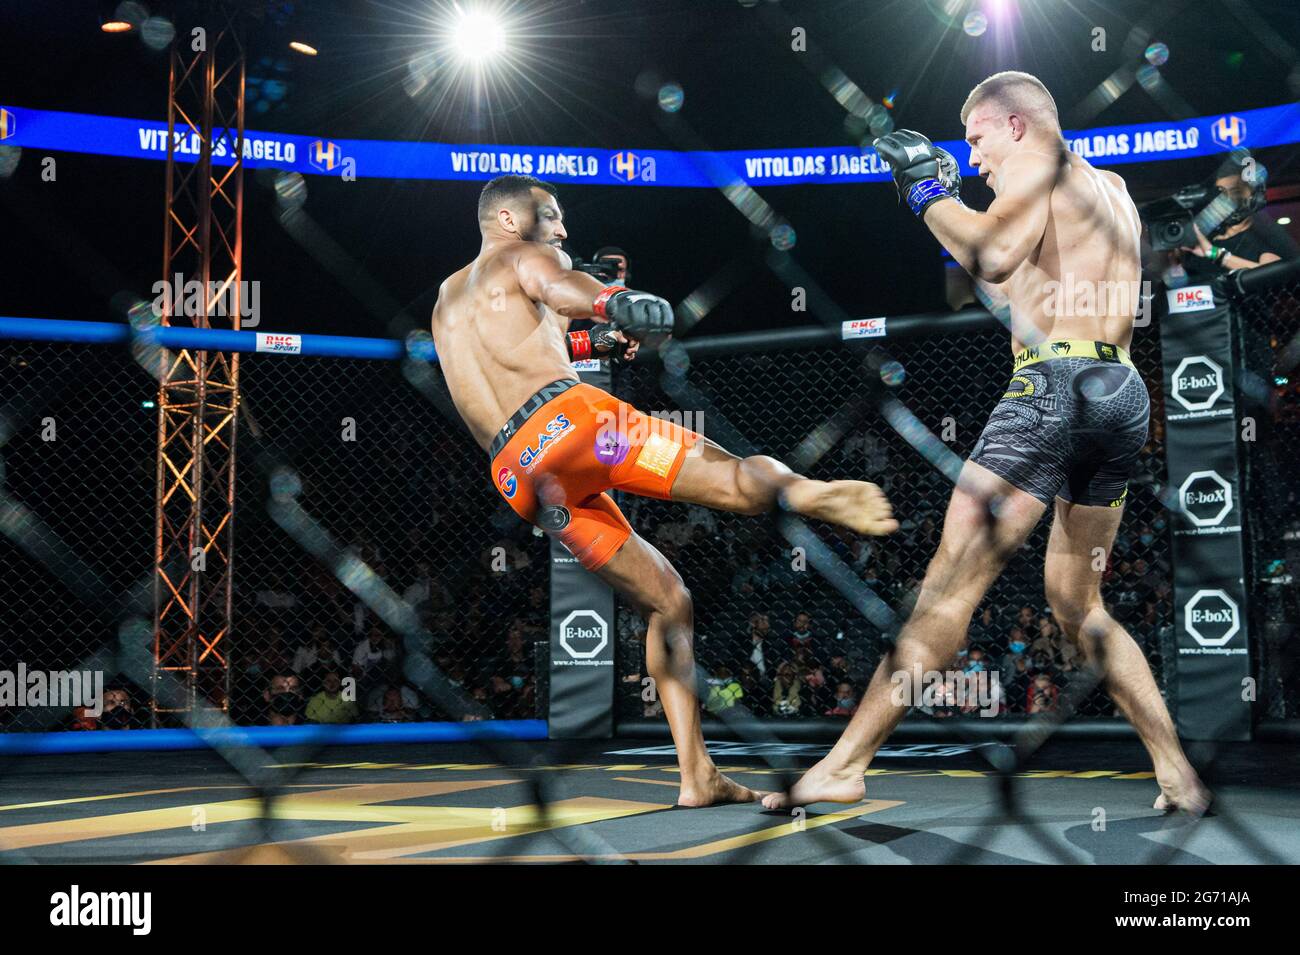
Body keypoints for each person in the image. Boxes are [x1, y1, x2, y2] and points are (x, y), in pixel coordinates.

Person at [765, 71, 1210, 815]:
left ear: (1015, 124)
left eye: (975, 139)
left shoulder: (1038, 161)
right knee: (1078, 601)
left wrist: (927, 196)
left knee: (946, 587)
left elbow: (995, 258)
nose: (972, 159)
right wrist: (956, 221)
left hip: (1052, 388)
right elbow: (1012, 288)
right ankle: (1177, 773)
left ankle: (844, 763)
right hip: (1121, 393)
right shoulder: (1114, 190)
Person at [430, 174, 899, 806]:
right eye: (551, 215)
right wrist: (609, 303)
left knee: (669, 602)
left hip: (520, 475)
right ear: (511, 221)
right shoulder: (526, 255)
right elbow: (557, 285)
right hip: (578, 426)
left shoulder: (445, 299)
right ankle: (807, 492)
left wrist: (587, 335)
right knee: (733, 478)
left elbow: (511, 342)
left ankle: (696, 775)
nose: (563, 229)